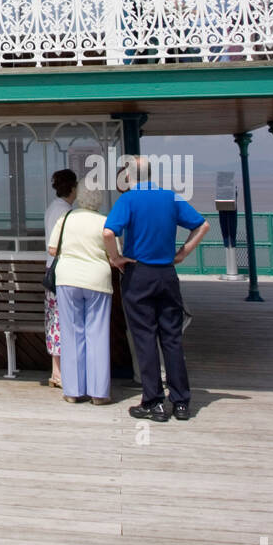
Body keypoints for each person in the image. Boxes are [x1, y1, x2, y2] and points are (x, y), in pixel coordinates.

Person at [103, 154, 210, 422]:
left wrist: (115, 258)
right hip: (167, 274)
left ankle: (153, 402)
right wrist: (183, 252)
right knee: (172, 338)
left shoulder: (127, 199)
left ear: (128, 176)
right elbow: (203, 225)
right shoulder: (170, 197)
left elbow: (108, 232)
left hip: (138, 274)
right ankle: (182, 402)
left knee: (145, 338)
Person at [49, 184, 113, 404]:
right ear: (99, 200)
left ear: (79, 196)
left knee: (71, 333)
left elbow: (52, 249)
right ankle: (98, 393)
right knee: (97, 334)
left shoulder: (66, 219)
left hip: (67, 278)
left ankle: (73, 391)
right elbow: (114, 252)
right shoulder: (104, 221)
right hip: (97, 279)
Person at [44, 169, 77, 387]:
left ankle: (57, 370)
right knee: (62, 320)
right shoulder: (66, 212)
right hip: (62, 272)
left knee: (54, 320)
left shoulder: (52, 209)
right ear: (73, 188)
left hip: (50, 270)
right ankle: (60, 372)